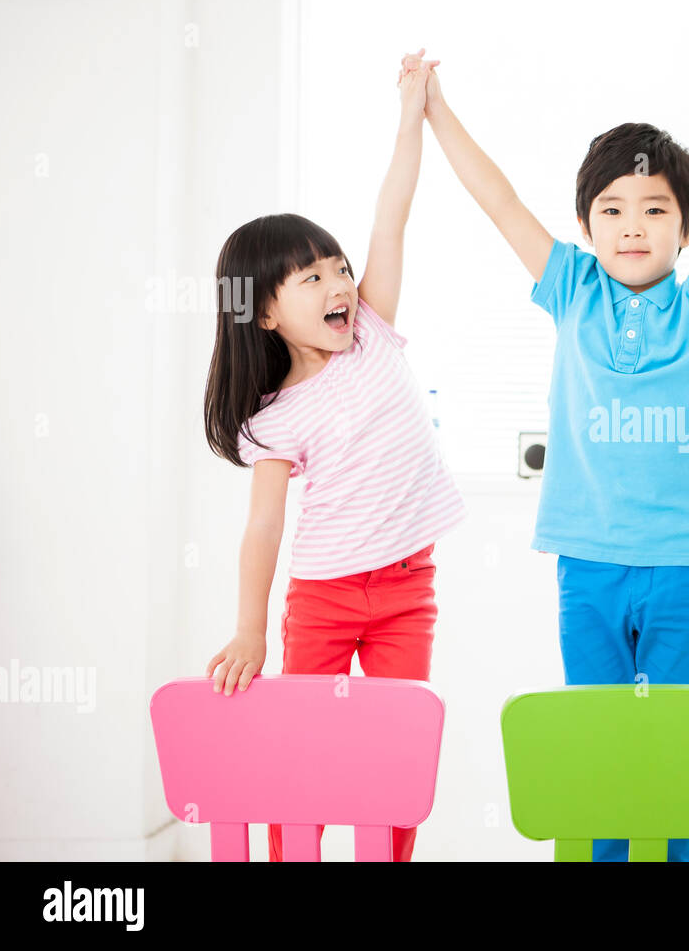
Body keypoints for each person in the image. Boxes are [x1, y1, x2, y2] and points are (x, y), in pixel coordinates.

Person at [399, 49, 689, 861]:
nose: (632, 226)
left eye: (653, 209)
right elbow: (498, 199)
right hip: (587, 561)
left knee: (673, 739)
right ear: (586, 226)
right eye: (611, 210)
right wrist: (433, 109)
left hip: (682, 561)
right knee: (600, 738)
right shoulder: (572, 287)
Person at [202, 58, 465, 862]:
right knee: (305, 749)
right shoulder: (276, 417)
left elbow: (392, 215)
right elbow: (262, 530)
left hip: (405, 587)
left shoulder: (374, 332)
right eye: (310, 277)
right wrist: (250, 630)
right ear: (267, 315)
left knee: (395, 748)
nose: (339, 283)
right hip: (322, 598)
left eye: (338, 268)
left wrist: (412, 113)